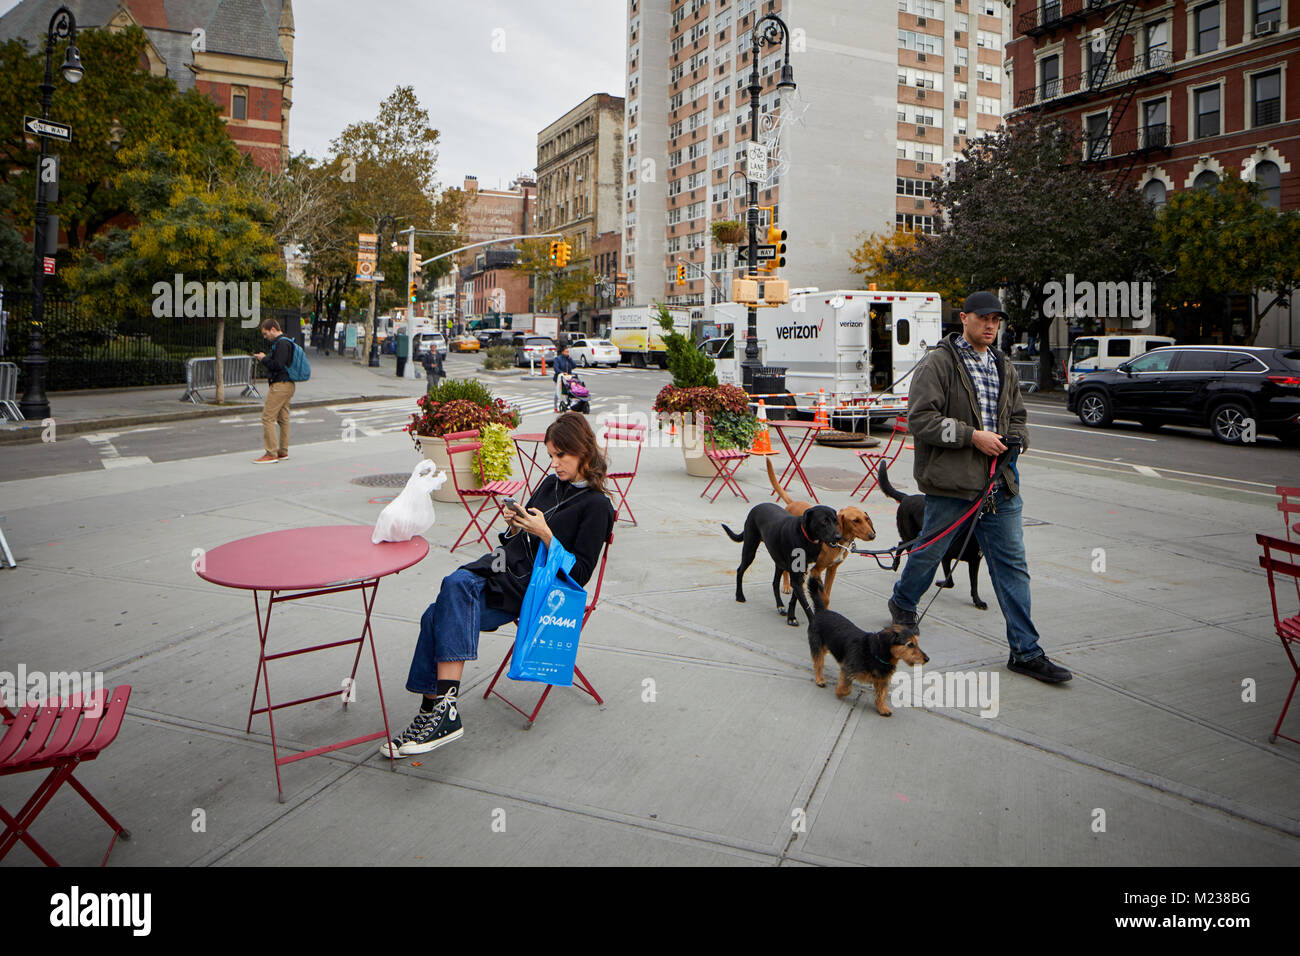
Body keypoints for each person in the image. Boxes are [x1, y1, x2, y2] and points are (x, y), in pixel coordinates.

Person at [382, 412, 617, 757]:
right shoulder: (551, 484)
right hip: (505, 567)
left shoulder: (598, 506)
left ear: (582, 451)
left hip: (536, 589)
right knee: (446, 599)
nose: (554, 464)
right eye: (550, 455)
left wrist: (547, 536)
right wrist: (515, 525)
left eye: (560, 456)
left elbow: (580, 574)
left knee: (443, 605)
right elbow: (515, 538)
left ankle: (435, 711)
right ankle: (436, 714)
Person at [887, 291, 1072, 684]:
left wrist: (1017, 438)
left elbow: (1018, 415)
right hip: (953, 485)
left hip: (1000, 486)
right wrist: (973, 437)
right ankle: (904, 601)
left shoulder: (1004, 365)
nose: (991, 326)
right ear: (964, 318)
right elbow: (920, 419)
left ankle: (1026, 652)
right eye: (983, 318)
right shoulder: (938, 363)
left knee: (1012, 569)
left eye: (997, 320)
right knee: (929, 552)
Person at [252, 318, 294, 464]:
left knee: (267, 417)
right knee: (283, 419)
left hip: (280, 385)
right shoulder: (286, 342)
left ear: (273, 330)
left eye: (265, 333)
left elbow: (278, 365)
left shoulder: (282, 343)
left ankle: (271, 453)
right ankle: (283, 451)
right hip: (287, 384)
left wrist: (264, 359)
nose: (265, 337)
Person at [553, 341, 576, 411]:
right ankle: (555, 407)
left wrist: (570, 359)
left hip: (567, 378)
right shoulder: (558, 359)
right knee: (558, 392)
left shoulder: (568, 359)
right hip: (559, 378)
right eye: (566, 352)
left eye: (568, 352)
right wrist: (562, 373)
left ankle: (569, 404)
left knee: (568, 392)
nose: (567, 353)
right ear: (562, 352)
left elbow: (574, 366)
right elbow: (556, 368)